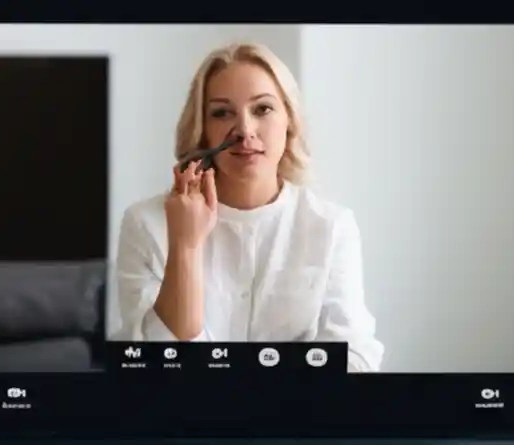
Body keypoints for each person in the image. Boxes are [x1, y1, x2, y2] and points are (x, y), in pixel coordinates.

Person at [113, 42, 385, 372]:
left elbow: (354, 357)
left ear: (290, 121)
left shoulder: (331, 226)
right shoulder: (146, 224)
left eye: (262, 109)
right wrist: (185, 246)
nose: (244, 131)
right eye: (221, 113)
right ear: (203, 132)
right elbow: (156, 364)